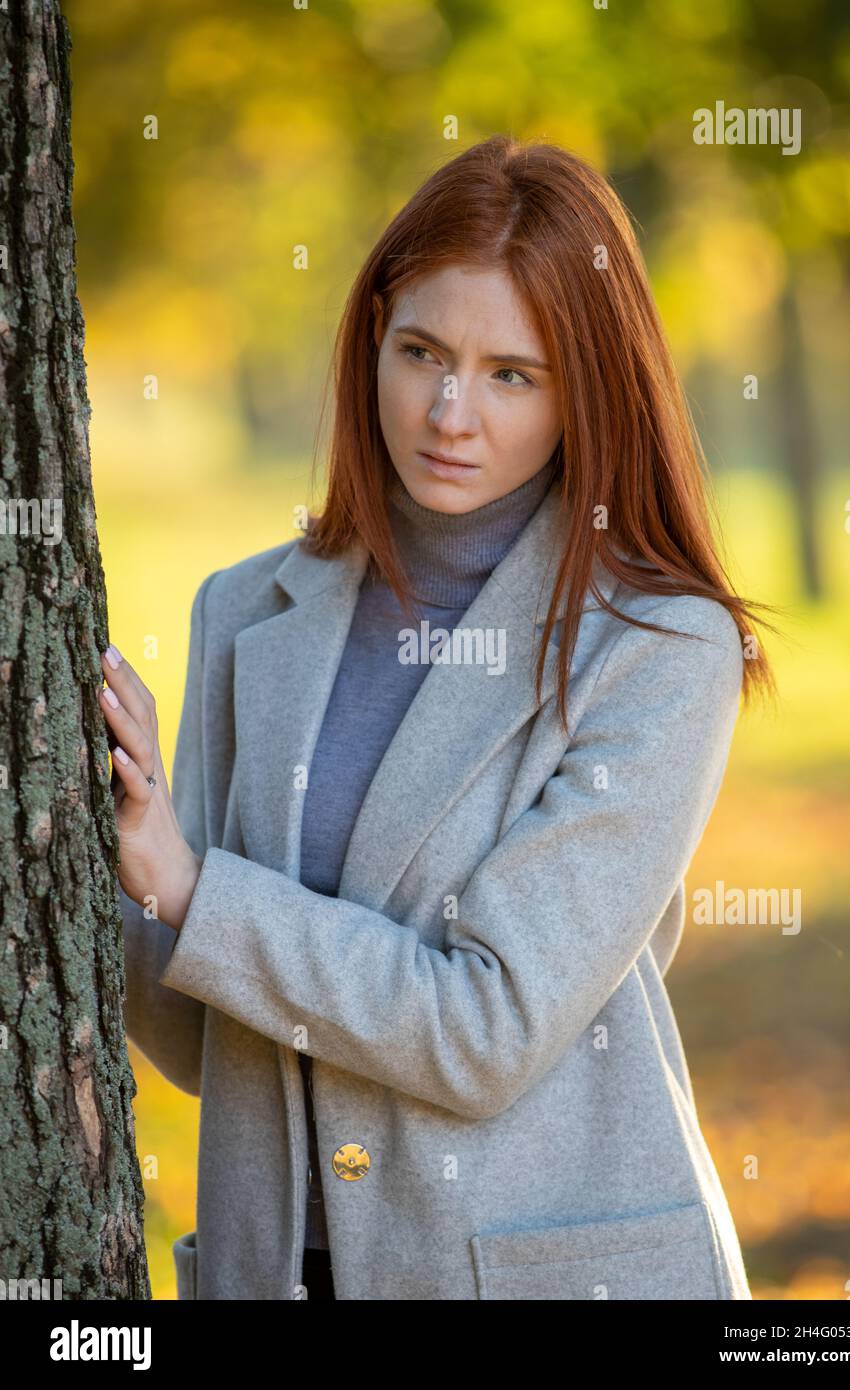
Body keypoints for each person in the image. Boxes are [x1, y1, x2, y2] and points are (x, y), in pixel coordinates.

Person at [106, 134, 777, 1301]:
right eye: (423, 352)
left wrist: (194, 886)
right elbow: (203, 1046)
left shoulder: (662, 648)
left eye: (513, 374)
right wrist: (116, 851)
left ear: (587, 391)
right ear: (373, 338)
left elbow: (485, 1028)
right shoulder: (243, 611)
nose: (451, 411)